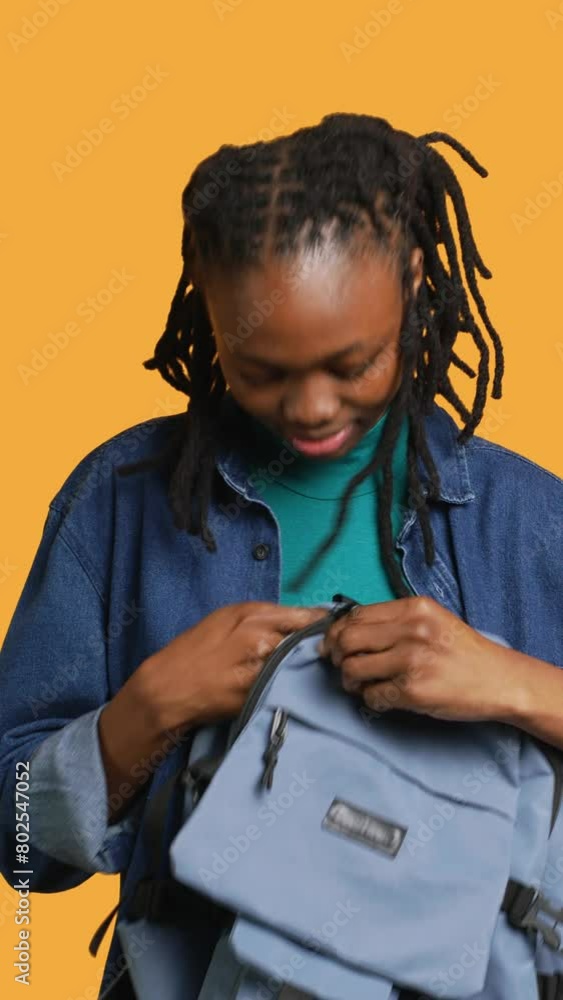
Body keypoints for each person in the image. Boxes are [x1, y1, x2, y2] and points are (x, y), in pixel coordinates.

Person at [0, 111, 562, 1000]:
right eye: (257, 368)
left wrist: (517, 684)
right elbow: (17, 838)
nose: (308, 407)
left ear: (414, 285)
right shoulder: (119, 503)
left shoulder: (525, 520)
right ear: (210, 313)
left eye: (352, 363)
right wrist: (146, 713)